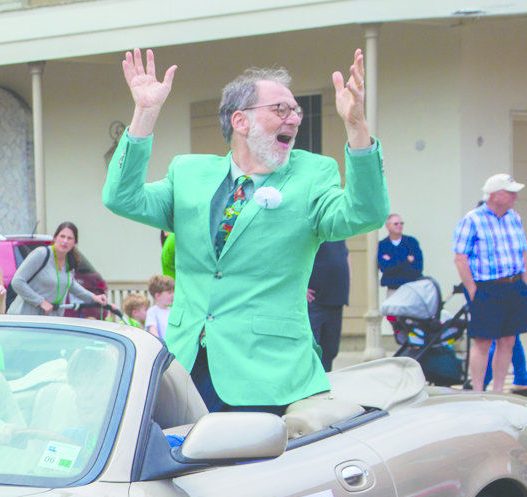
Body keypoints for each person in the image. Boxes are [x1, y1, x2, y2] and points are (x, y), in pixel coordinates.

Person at [102, 48, 388, 411]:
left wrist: (356, 126)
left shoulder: (314, 175)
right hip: (186, 368)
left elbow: (366, 214)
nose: (294, 119)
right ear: (241, 121)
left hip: (267, 374)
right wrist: (144, 114)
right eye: (280, 109)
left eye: (296, 111)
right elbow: (121, 198)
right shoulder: (189, 173)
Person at [454, 174, 527, 394]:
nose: (515, 196)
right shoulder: (472, 220)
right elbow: (460, 258)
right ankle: (478, 390)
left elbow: (522, 252)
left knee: (508, 340)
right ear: (495, 195)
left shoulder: (514, 217)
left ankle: (498, 391)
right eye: (510, 193)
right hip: (487, 287)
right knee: (483, 341)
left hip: (514, 285)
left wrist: (524, 283)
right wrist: (472, 289)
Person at [9, 221, 107, 316]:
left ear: (74, 243)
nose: (65, 241)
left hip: (51, 319)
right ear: (55, 238)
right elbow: (17, 281)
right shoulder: (42, 254)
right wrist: (40, 302)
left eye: (69, 238)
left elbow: (71, 285)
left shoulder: (69, 261)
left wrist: (94, 298)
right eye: (62, 236)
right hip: (26, 318)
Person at [306, 240, 350, 372]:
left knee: (330, 349)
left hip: (336, 300)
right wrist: (302, 288)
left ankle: (326, 378)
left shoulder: (339, 237)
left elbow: (346, 259)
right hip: (315, 302)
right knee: (313, 348)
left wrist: (347, 287)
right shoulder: (314, 233)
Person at [378, 213, 423, 292]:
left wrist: (392, 260)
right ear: (387, 226)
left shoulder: (411, 242)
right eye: (396, 224)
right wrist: (406, 259)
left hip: (412, 288)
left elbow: (418, 267)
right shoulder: (383, 245)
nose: (399, 226)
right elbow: (384, 268)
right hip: (393, 289)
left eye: (401, 223)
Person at [145, 274, 174, 339]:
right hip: (162, 346)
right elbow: (153, 330)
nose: (173, 295)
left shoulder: (173, 310)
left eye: (173, 292)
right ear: (157, 295)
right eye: (169, 293)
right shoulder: (152, 311)